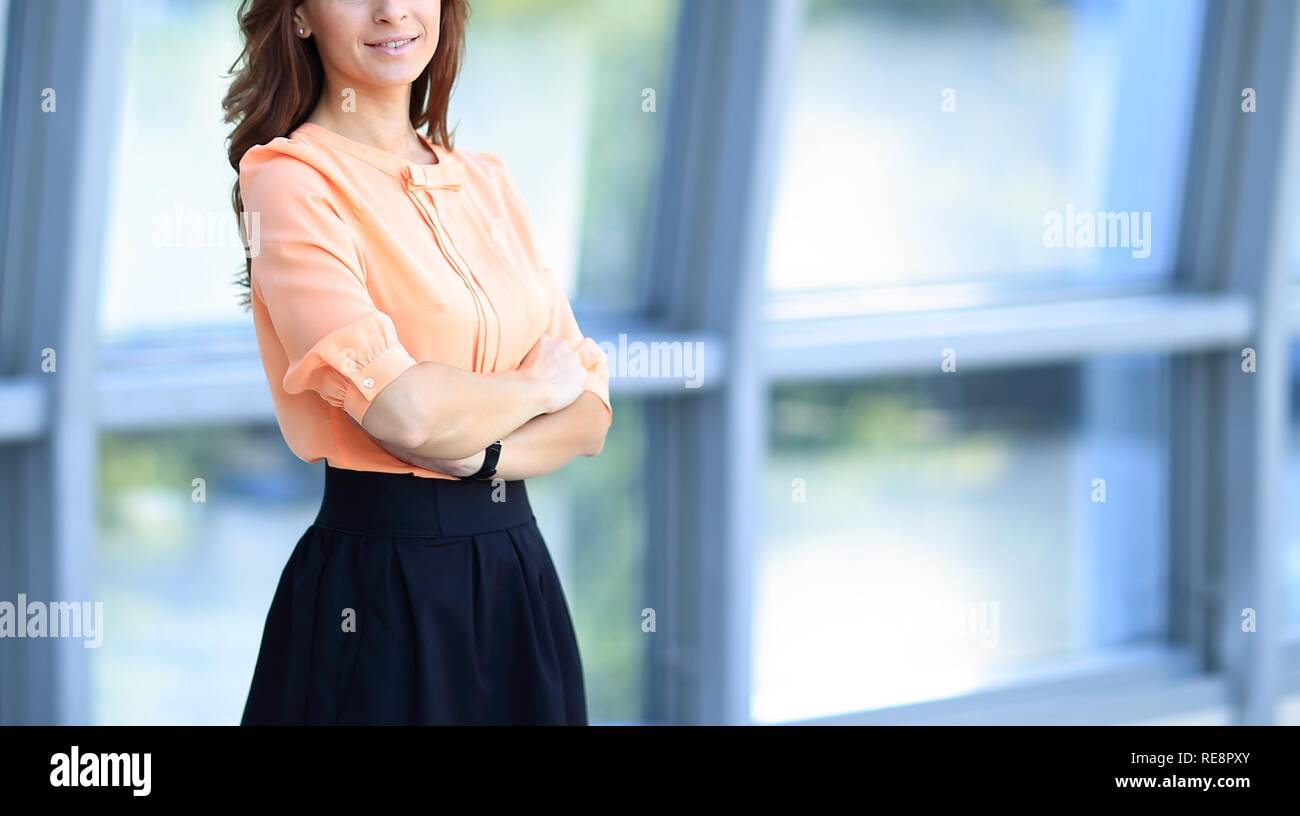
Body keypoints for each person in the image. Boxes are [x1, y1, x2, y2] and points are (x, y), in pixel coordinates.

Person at [222, 0, 612, 724]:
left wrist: (480, 456)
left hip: (516, 579)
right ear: (300, 16)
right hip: (380, 593)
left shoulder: (485, 181)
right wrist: (535, 385)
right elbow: (403, 411)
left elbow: (589, 416)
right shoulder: (289, 179)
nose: (391, 11)